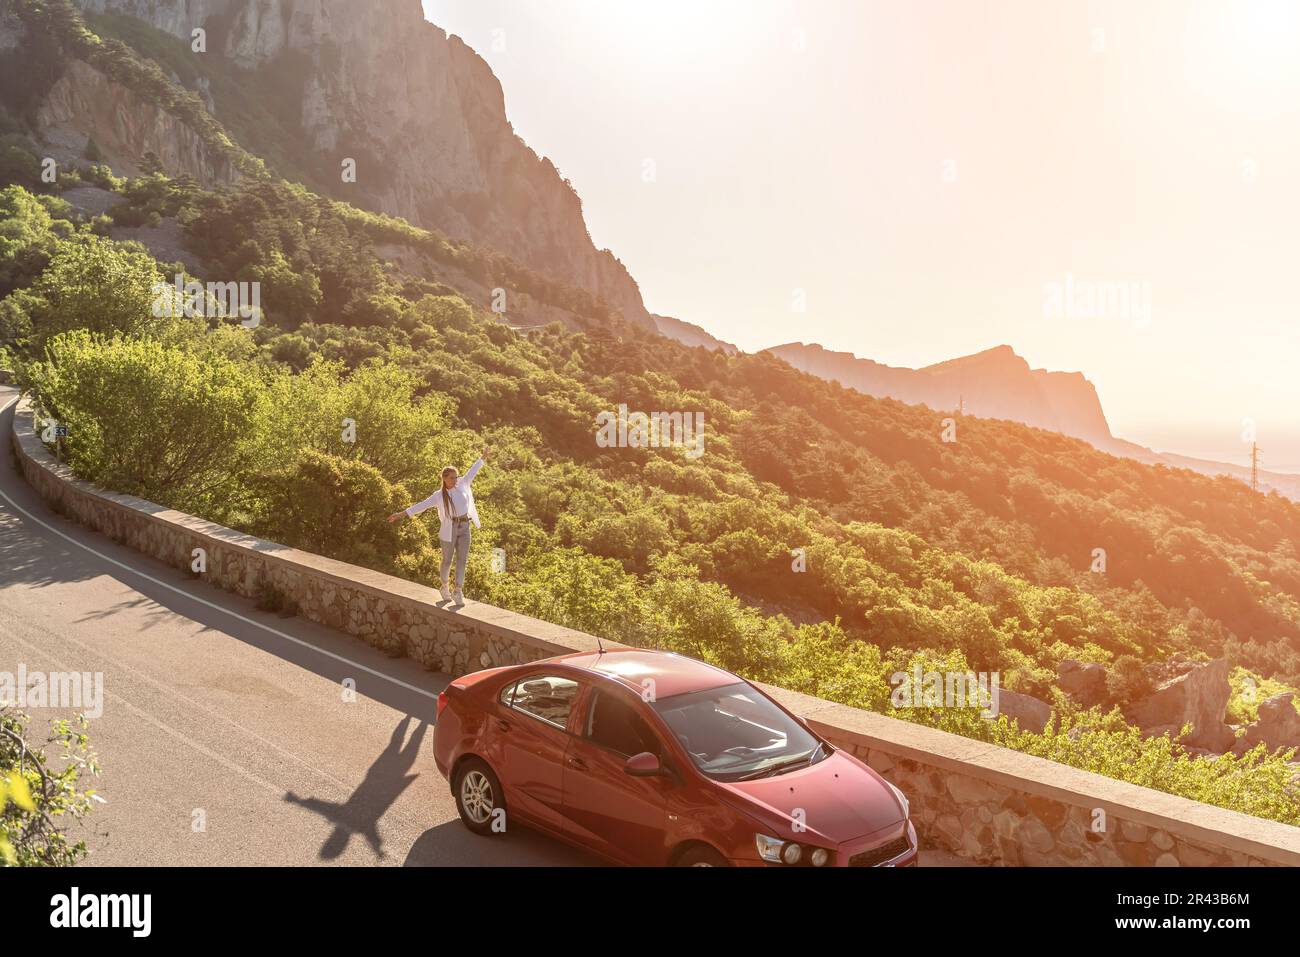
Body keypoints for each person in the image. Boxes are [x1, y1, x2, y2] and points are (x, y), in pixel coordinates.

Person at [388, 447, 489, 606]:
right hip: (449, 530)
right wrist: (401, 514)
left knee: (462, 559)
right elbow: (420, 506)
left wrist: (482, 457)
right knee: (447, 560)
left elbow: (472, 471)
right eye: (452, 478)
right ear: (444, 478)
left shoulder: (462, 483)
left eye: (456, 477)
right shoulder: (438, 496)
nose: (455, 480)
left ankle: (458, 590)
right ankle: (444, 587)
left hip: (464, 526)